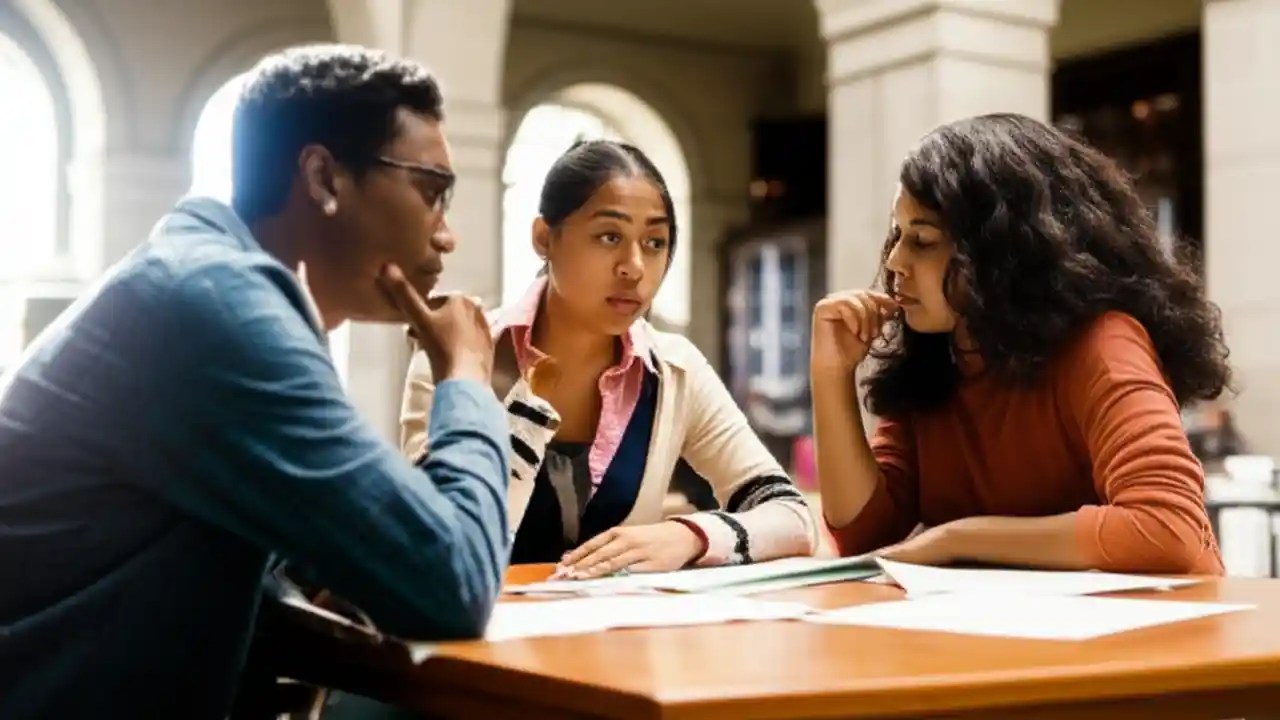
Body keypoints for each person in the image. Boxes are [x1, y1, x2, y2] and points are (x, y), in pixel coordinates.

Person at [0, 45, 511, 718]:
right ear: (324, 176)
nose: (447, 236)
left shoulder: (207, 280)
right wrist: (467, 380)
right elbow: (453, 585)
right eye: (431, 190)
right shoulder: (215, 305)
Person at [812, 113, 1229, 575]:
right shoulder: (937, 360)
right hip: (1018, 639)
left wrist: (958, 538)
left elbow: (1168, 528)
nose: (894, 260)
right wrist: (831, 376)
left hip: (1162, 638)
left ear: (1002, 251)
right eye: (897, 235)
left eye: (923, 240)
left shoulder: (1102, 344)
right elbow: (863, 536)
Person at [400, 139, 816, 579]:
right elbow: (435, 546)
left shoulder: (674, 370)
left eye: (655, 242)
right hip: (478, 634)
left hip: (617, 641)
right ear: (544, 238)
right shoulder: (457, 357)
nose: (634, 267)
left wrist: (688, 535)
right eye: (609, 236)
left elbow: (792, 517)